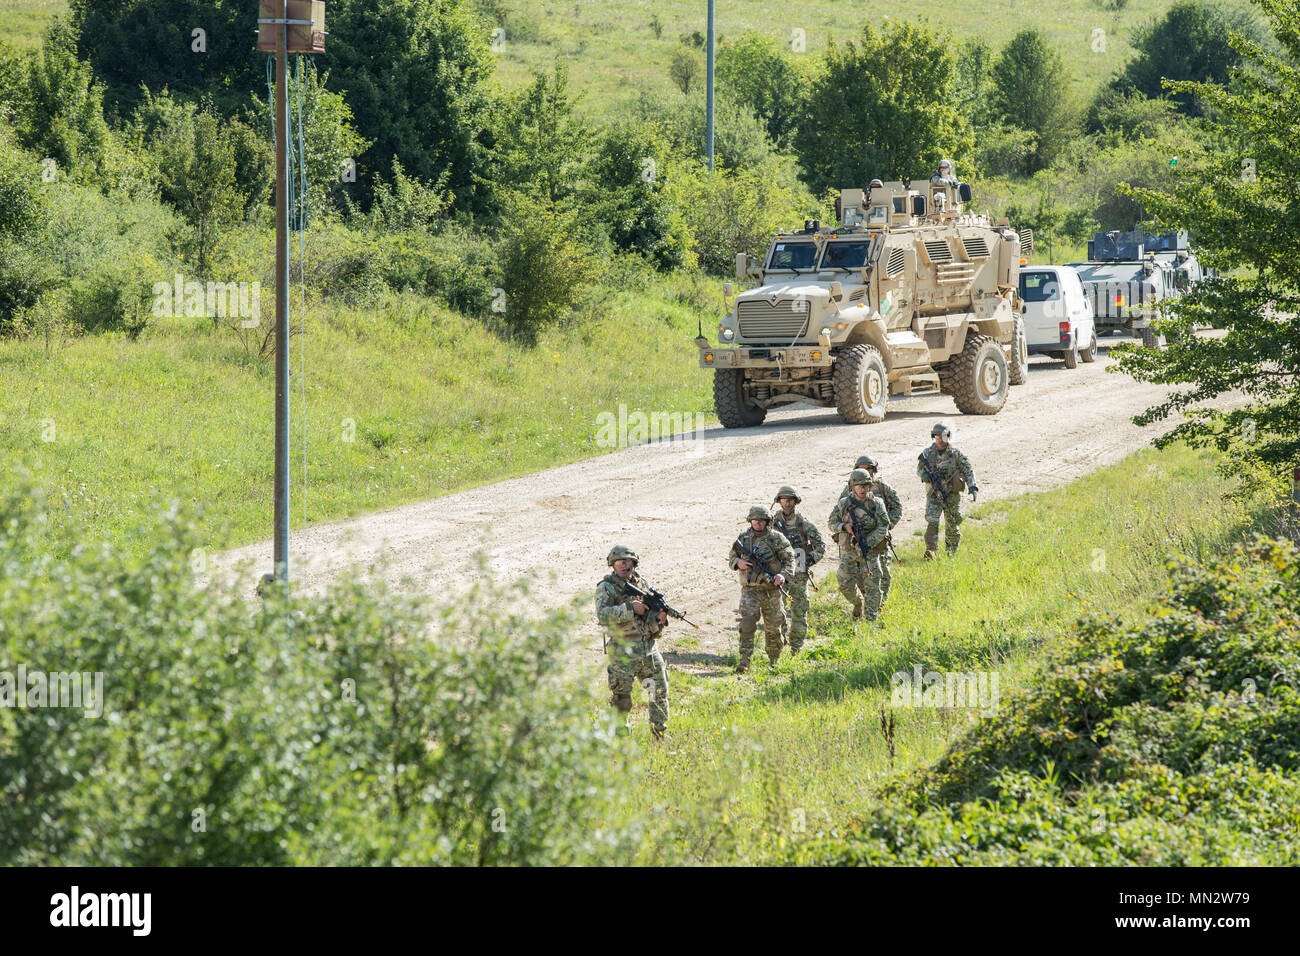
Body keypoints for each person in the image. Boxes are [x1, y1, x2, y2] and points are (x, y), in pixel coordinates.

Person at [595, 544, 669, 739]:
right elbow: (602, 615)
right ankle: (621, 742)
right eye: (620, 562)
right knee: (622, 700)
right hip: (623, 653)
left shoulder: (642, 583)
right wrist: (629, 608)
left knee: (658, 693)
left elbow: (649, 612)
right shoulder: (606, 587)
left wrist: (659, 616)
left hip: (649, 650)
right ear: (613, 564)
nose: (624, 565)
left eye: (628, 561)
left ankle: (659, 735)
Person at [728, 506, 795, 672]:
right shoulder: (743, 538)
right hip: (750, 589)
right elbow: (732, 557)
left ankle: (774, 660)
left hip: (771, 590)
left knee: (773, 627)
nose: (758, 524)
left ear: (767, 522)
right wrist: (738, 563)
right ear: (750, 521)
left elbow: (790, 559)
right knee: (747, 623)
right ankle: (744, 660)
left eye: (761, 521)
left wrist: (782, 575)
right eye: (755, 521)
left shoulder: (777, 539)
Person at [828, 469, 890, 622]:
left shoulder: (876, 504)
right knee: (844, 584)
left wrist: (867, 544)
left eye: (865, 486)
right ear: (852, 486)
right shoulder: (844, 503)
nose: (862, 489)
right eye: (859, 486)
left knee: (873, 585)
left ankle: (871, 620)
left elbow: (883, 526)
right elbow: (831, 523)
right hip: (848, 551)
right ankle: (857, 603)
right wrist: (844, 527)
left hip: (870, 550)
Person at [770, 486, 825, 655]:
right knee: (776, 611)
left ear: (795, 501)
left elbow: (820, 546)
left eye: (790, 499)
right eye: (784, 499)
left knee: (799, 611)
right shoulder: (771, 523)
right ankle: (779, 645)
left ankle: (796, 648)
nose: (787, 503)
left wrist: (808, 560)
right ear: (779, 501)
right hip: (778, 573)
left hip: (799, 574)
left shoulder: (804, 523)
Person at [917, 422, 978, 559]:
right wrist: (924, 475)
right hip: (934, 494)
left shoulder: (955, 454)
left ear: (948, 437)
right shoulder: (927, 454)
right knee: (932, 521)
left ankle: (951, 551)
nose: (939, 439)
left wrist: (972, 486)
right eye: (937, 436)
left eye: (942, 436)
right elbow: (919, 469)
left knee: (952, 523)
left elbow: (967, 470)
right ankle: (931, 550)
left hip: (951, 494)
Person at [853, 455, 902, 606]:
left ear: (874, 470)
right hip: (858, 538)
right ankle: (868, 600)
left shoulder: (882, 486)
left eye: (868, 469)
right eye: (861, 469)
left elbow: (896, 507)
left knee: (884, 573)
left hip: (880, 537)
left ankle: (881, 604)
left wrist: (887, 525)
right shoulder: (850, 488)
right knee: (860, 573)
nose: (865, 472)